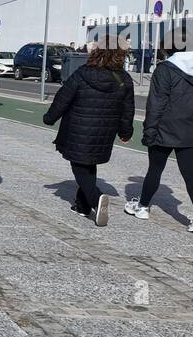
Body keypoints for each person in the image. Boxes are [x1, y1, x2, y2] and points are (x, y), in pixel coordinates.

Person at [42, 46, 135, 226]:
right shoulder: (124, 79)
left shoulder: (83, 73)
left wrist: (49, 118)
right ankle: (82, 206)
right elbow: (127, 109)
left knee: (79, 166)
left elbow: (63, 97)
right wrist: (125, 132)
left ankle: (96, 198)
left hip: (78, 129)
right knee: (89, 164)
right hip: (104, 132)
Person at [123, 48, 193, 233]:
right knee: (190, 174)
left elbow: (156, 103)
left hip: (165, 128)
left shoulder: (165, 69)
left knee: (155, 169)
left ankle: (143, 206)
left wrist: (149, 131)